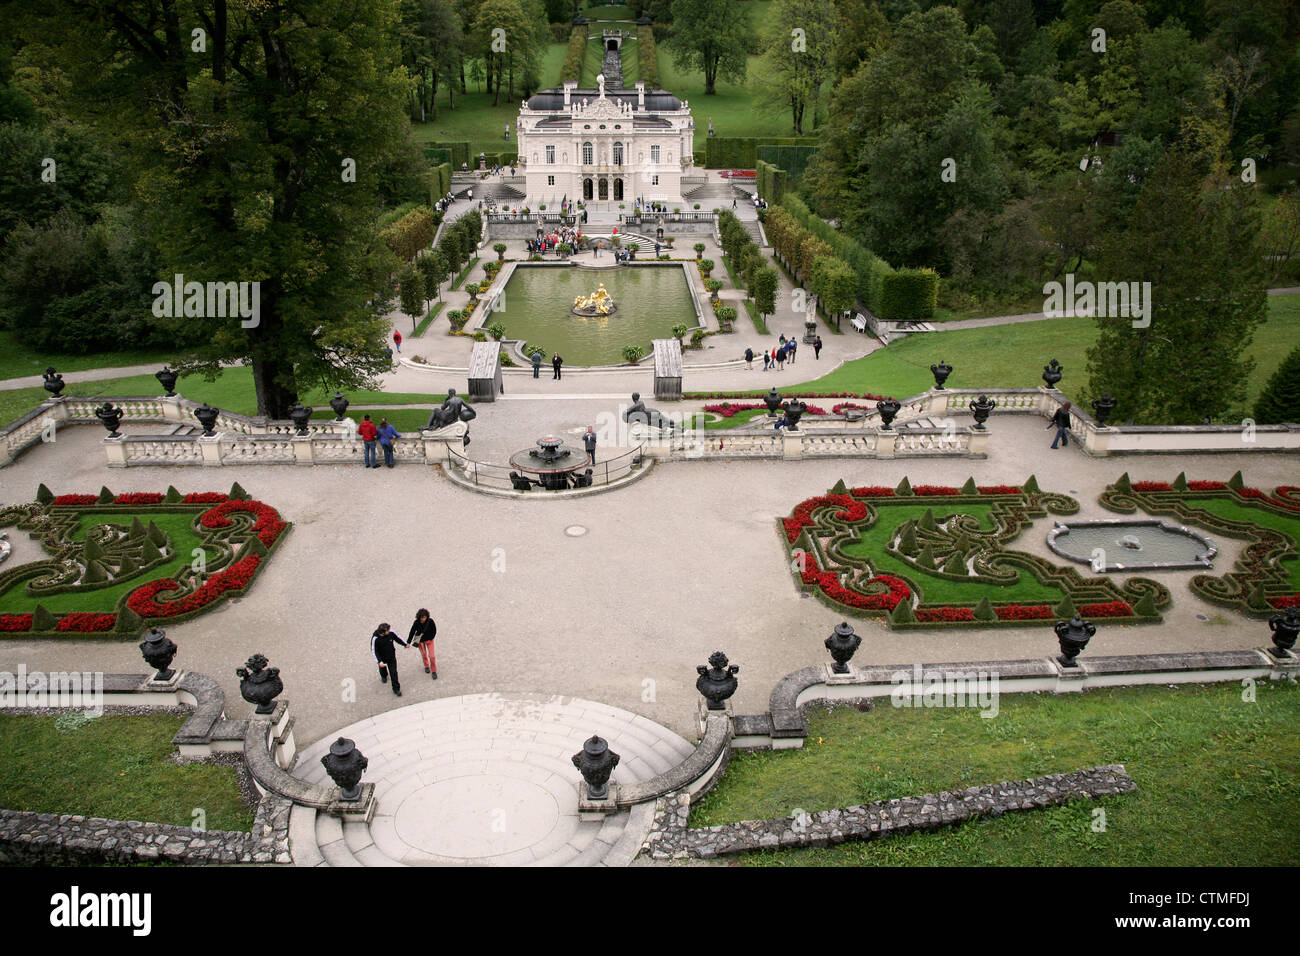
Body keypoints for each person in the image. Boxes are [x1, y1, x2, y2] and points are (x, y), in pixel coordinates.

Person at [371, 622, 410, 697]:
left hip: (391, 656)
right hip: (382, 658)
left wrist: (405, 644)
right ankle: (384, 676)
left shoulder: (391, 633)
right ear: (383, 632)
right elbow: (374, 650)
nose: (389, 631)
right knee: (382, 669)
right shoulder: (375, 638)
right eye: (387, 631)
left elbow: (398, 638)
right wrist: (379, 661)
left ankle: (396, 689)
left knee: (394, 673)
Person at [408, 608, 437, 679]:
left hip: (429, 641)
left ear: (427, 616)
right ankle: (426, 666)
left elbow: (434, 630)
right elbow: (412, 631)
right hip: (420, 642)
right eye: (421, 617)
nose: (422, 619)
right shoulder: (416, 622)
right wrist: (408, 642)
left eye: (424, 617)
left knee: (432, 656)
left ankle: (434, 670)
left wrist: (431, 637)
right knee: (424, 654)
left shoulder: (430, 621)